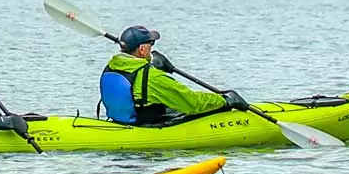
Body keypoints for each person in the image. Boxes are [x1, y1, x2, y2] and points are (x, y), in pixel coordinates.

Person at [99, 25, 250, 125]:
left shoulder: (111, 66)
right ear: (142, 50)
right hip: (144, 125)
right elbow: (192, 103)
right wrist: (225, 100)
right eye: (151, 44)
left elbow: (135, 82)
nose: (152, 48)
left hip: (120, 119)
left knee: (171, 106)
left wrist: (150, 65)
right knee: (206, 107)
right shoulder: (153, 78)